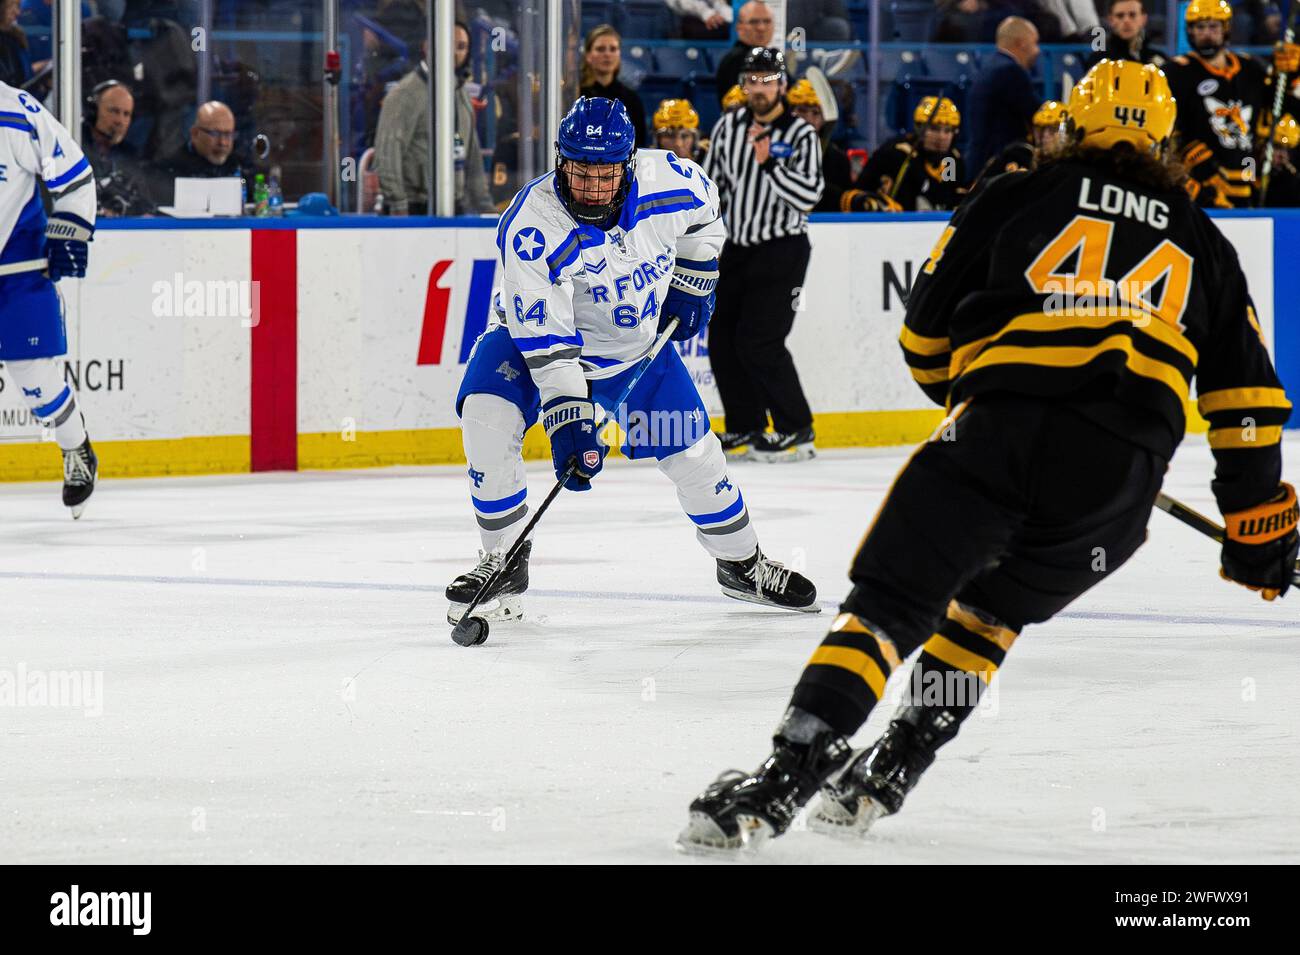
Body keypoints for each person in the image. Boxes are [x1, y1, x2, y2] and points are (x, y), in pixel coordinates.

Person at [677, 59, 1296, 854]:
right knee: (988, 616)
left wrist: (972, 390)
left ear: (1072, 126)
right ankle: (893, 765)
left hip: (1002, 432)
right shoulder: (1206, 242)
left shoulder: (1016, 193)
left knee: (889, 608)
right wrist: (1257, 524)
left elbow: (924, 334)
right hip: (1120, 484)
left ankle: (781, 780)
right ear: (1168, 142)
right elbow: (1245, 407)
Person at [445, 97, 819, 625]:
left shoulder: (672, 179)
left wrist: (695, 277)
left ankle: (743, 565)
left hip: (635, 346)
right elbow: (550, 349)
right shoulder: (531, 227)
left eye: (605, 173)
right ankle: (502, 557)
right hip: (530, 345)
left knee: (697, 457)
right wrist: (570, 423)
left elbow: (706, 218)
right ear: (560, 160)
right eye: (580, 172)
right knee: (487, 413)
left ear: (628, 164)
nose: (592, 187)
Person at [704, 48, 824, 462]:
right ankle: (745, 425)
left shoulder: (801, 135)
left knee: (761, 342)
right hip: (736, 249)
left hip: (783, 249)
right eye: (752, 80)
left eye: (767, 80)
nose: (759, 88)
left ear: (782, 86)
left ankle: (796, 427)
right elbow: (711, 185)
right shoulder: (726, 127)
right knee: (721, 340)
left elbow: (809, 197)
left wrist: (771, 165)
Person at [0, 77, 99, 517]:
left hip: (16, 268)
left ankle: (76, 447)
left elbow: (74, 174)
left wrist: (70, 227)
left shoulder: (16, 111)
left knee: (35, 377)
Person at [1164, 0, 1300, 208]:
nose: (1207, 33)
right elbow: (1170, 128)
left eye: (1213, 27)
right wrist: (1197, 166)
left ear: (1226, 28)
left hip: (1248, 177)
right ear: (1190, 31)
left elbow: (1279, 105)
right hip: (1202, 181)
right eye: (1200, 27)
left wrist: (1290, 73)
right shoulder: (1176, 73)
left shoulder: (1249, 68)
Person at [374, 26, 494, 216]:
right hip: (413, 208)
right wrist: (398, 206)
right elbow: (388, 154)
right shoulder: (405, 93)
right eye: (449, 44)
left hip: (454, 207)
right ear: (427, 46)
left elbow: (472, 155)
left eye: (461, 46)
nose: (454, 53)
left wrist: (485, 207)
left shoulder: (460, 91)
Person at [788, 78, 901, 213]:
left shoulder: (838, 160)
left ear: (824, 118)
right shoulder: (774, 149)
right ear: (789, 112)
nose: (809, 119)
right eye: (802, 110)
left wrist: (859, 200)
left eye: (816, 113)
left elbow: (842, 208)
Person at [858, 97, 969, 211]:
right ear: (919, 128)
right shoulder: (896, 154)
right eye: (934, 129)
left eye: (948, 131)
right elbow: (860, 191)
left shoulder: (950, 160)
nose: (941, 137)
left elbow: (948, 195)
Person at [965, 16, 1041, 174]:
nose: (1038, 51)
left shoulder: (988, 68)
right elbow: (1038, 115)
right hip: (1000, 166)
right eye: (1035, 43)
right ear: (1022, 43)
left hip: (979, 162)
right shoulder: (1011, 72)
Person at [82, 80, 153, 217]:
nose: (120, 121)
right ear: (93, 111)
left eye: (126, 114)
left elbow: (146, 207)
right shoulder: (74, 146)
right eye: (114, 111)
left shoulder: (130, 155)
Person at [579, 24, 647, 147]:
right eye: (600, 49)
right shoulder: (575, 95)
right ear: (588, 55)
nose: (607, 54)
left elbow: (639, 144)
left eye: (613, 49)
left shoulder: (631, 99)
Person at [973, 98, 1068, 186]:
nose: (1045, 135)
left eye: (1053, 129)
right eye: (1040, 128)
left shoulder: (1072, 167)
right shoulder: (1019, 154)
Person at [715, 1, 775, 106]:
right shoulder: (734, 61)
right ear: (739, 27)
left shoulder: (771, 57)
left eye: (767, 21)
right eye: (754, 22)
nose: (761, 28)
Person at [1084, 0, 1168, 69]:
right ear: (1110, 20)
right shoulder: (1098, 61)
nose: (1126, 21)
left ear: (1143, 19)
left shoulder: (1159, 60)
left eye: (1132, 15)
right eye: (1120, 16)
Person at [653, 98, 708, 164]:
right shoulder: (645, 164)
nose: (678, 144)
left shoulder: (710, 159)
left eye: (685, 136)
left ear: (695, 139)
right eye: (670, 136)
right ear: (658, 140)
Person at [1264, 113, 1300, 206]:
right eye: (1278, 147)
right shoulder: (1249, 169)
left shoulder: (1291, 179)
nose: (1283, 156)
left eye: (1287, 149)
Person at [0, 0, 31, 89]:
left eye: (18, 6)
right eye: (10, 6)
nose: (17, 12)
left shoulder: (16, 38)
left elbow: (24, 77)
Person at [666, 0, 733, 40]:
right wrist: (707, 13)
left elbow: (718, 4)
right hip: (680, 21)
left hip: (712, 20)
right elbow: (684, 3)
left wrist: (732, 16)